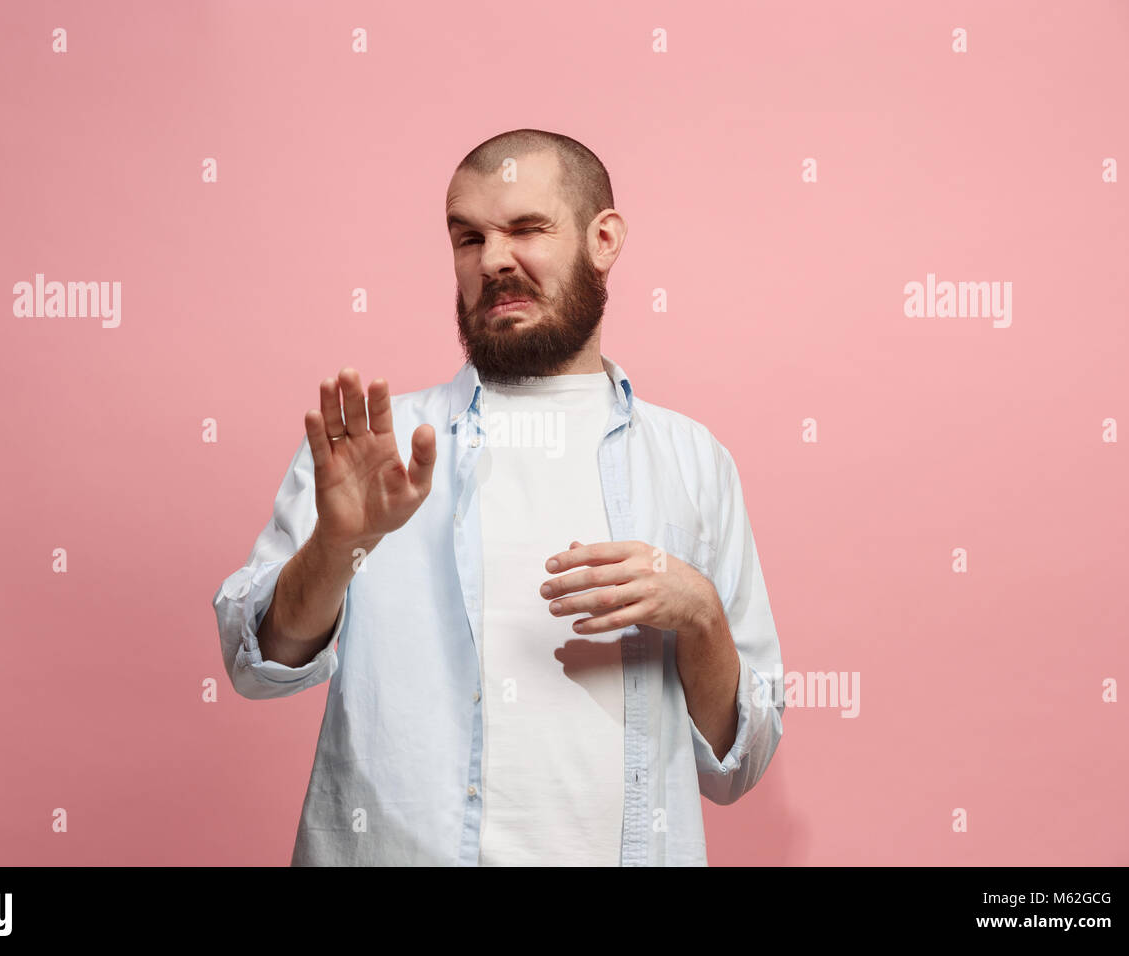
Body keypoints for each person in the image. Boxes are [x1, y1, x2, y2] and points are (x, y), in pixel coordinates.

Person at [212, 129, 784, 866]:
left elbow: (740, 763)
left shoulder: (691, 460)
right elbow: (255, 662)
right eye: (468, 237)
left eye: (525, 229)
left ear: (603, 238)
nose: (492, 261)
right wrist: (339, 544)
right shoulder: (378, 450)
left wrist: (702, 614)